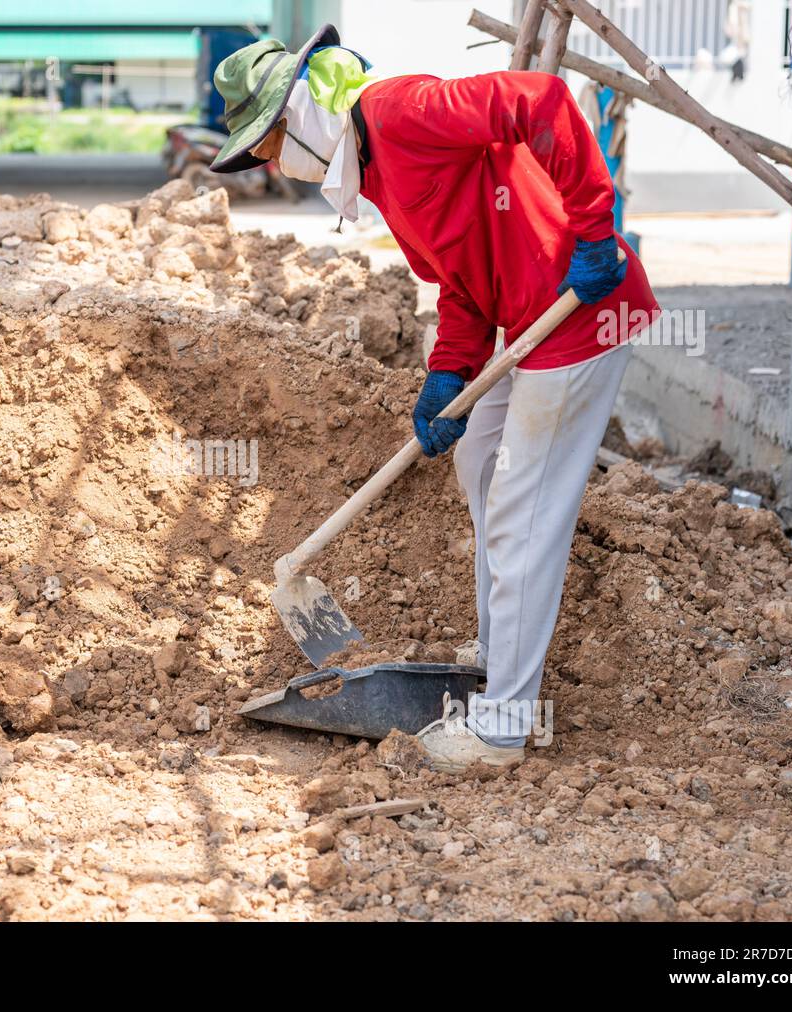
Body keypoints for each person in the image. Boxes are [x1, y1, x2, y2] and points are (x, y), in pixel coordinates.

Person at [210, 25, 659, 772]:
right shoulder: (379, 171)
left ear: (304, 112)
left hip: (581, 312)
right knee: (477, 458)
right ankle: (497, 655)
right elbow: (462, 272)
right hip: (525, 317)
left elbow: (540, 100)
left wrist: (592, 228)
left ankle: (505, 728)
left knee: (523, 511)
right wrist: (448, 372)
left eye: (268, 143)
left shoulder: (397, 114)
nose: (272, 163)